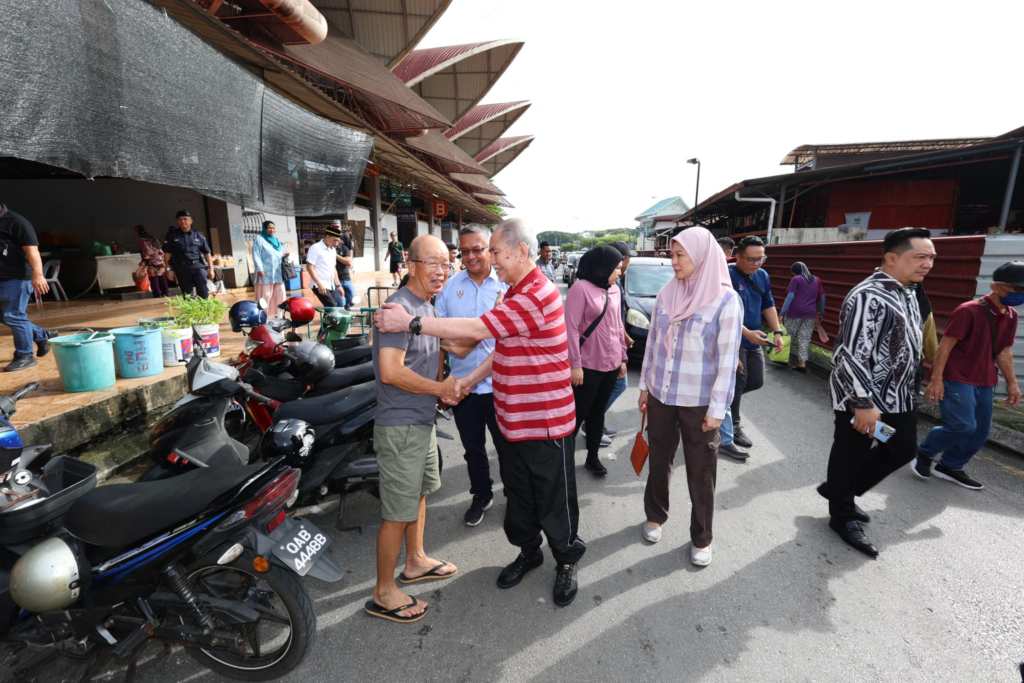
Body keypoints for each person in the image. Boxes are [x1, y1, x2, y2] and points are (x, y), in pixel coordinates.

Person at [374, 218, 584, 607]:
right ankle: (529, 551)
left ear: (521, 252)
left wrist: (412, 323)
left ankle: (567, 560)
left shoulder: (536, 293)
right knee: (519, 496)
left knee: (555, 498)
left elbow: (477, 330)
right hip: (513, 421)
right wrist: (467, 381)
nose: (491, 260)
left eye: (496, 253)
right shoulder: (513, 292)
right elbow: (500, 349)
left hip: (545, 423)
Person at [821, 227, 935, 557]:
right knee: (851, 453)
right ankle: (841, 516)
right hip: (862, 399)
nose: (928, 264)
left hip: (898, 396)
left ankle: (838, 491)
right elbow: (851, 353)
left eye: (931, 257)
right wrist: (862, 403)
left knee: (901, 447)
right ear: (891, 258)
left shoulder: (909, 291)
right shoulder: (867, 296)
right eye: (920, 257)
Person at [365, 235, 462, 624]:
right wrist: (440, 389)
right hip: (400, 426)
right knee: (397, 511)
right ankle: (383, 591)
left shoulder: (426, 307)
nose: (441, 271)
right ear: (411, 264)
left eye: (446, 264)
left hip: (421, 421)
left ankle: (416, 561)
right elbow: (391, 372)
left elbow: (452, 348)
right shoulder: (397, 309)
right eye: (433, 262)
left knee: (418, 494)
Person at [637, 227, 742, 567]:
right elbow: (653, 345)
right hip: (661, 395)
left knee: (701, 470)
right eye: (672, 254)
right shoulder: (667, 294)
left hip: (699, 403)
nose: (674, 261)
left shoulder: (726, 300)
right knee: (659, 460)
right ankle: (655, 515)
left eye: (680, 255)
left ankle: (702, 537)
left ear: (701, 256)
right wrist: (645, 386)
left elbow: (727, 361)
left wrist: (718, 409)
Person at [912, 261, 1024, 490]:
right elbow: (945, 347)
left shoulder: (1011, 316)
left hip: (985, 379)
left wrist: (1013, 384)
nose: (1020, 294)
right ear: (995, 286)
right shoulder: (968, 310)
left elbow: (1003, 351)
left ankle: (950, 465)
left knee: (980, 430)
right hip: (958, 376)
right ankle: (924, 453)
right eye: (1017, 289)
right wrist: (936, 380)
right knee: (963, 425)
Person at [435, 225, 508, 526]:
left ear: (490, 249)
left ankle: (515, 496)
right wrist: (439, 385)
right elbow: (438, 339)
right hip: (462, 387)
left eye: (477, 249)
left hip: (501, 385)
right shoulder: (450, 288)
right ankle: (481, 494)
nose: (471, 256)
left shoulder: (506, 286)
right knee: (473, 449)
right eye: (464, 251)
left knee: (507, 448)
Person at [565, 246, 627, 475]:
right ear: (603, 267)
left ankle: (592, 457)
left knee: (598, 411)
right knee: (578, 413)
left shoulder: (615, 290)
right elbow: (571, 329)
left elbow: (618, 325)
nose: (620, 272)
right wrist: (575, 365)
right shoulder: (580, 288)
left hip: (611, 363)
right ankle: (563, 461)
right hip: (587, 366)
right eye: (616, 268)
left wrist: (622, 358)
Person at [728, 236, 784, 452]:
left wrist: (777, 332)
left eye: (761, 259)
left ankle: (719, 405)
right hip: (733, 339)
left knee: (756, 381)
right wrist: (746, 333)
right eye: (751, 259)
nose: (756, 264)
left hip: (754, 339)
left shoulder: (762, 275)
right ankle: (732, 426)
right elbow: (722, 311)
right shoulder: (727, 275)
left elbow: (768, 302)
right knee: (738, 382)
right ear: (738, 256)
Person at [0, 203, 58, 372]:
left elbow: (32, 249)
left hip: (16, 278)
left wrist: (38, 275)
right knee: (5, 316)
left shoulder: (17, 222)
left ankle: (25, 355)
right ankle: (41, 336)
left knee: (14, 315)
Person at [594, 241, 638, 445]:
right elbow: (611, 320)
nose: (627, 264)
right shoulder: (608, 283)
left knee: (612, 385)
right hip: (608, 346)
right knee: (620, 384)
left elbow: (617, 318)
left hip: (614, 343)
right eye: (627, 259)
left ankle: (595, 421)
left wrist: (625, 337)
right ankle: (592, 422)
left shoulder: (615, 282)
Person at [779, 262, 825, 373]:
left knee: (789, 335)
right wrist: (821, 313)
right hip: (810, 314)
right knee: (805, 337)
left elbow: (790, 296)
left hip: (794, 312)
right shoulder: (817, 280)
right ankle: (802, 363)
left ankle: (783, 358)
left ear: (796, 272)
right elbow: (822, 297)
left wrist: (781, 313)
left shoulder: (796, 279)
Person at [164, 210, 214, 298]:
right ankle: (191, 307)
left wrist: (211, 269)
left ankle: (205, 307)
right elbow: (167, 253)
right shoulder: (172, 235)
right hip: (181, 268)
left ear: (191, 221)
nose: (182, 221)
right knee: (187, 295)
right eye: (180, 219)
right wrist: (168, 269)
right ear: (177, 221)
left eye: (185, 219)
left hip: (198, 267)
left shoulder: (199, 235)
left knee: (203, 292)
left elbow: (207, 253)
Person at [251, 220, 289, 313]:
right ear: (264, 229)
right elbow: (256, 254)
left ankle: (279, 315)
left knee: (280, 294)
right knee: (266, 295)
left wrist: (285, 256)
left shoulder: (277, 241)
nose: (272, 230)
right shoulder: (259, 239)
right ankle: (263, 315)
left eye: (273, 228)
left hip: (278, 273)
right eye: (269, 228)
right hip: (265, 273)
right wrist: (259, 268)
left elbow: (282, 254)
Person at [305, 225, 342, 308]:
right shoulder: (315, 248)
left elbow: (333, 269)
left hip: (330, 284)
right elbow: (309, 267)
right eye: (335, 240)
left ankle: (326, 318)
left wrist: (338, 286)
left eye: (338, 241)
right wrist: (319, 284)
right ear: (327, 237)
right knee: (332, 306)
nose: (336, 243)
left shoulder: (333, 250)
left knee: (331, 308)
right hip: (319, 284)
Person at [134, 224, 169, 298]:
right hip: (160, 259)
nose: (136, 232)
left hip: (152, 260)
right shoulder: (153, 237)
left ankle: (157, 294)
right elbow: (159, 247)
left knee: (153, 277)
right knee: (162, 275)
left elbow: (146, 250)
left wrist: (144, 260)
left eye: (136, 231)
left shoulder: (142, 239)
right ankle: (166, 292)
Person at [334, 221, 355, 310]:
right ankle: (342, 316)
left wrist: (336, 256)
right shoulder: (327, 249)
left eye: (337, 226)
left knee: (352, 301)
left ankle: (347, 314)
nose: (336, 241)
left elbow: (349, 260)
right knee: (341, 303)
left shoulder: (344, 246)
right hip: (336, 280)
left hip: (346, 277)